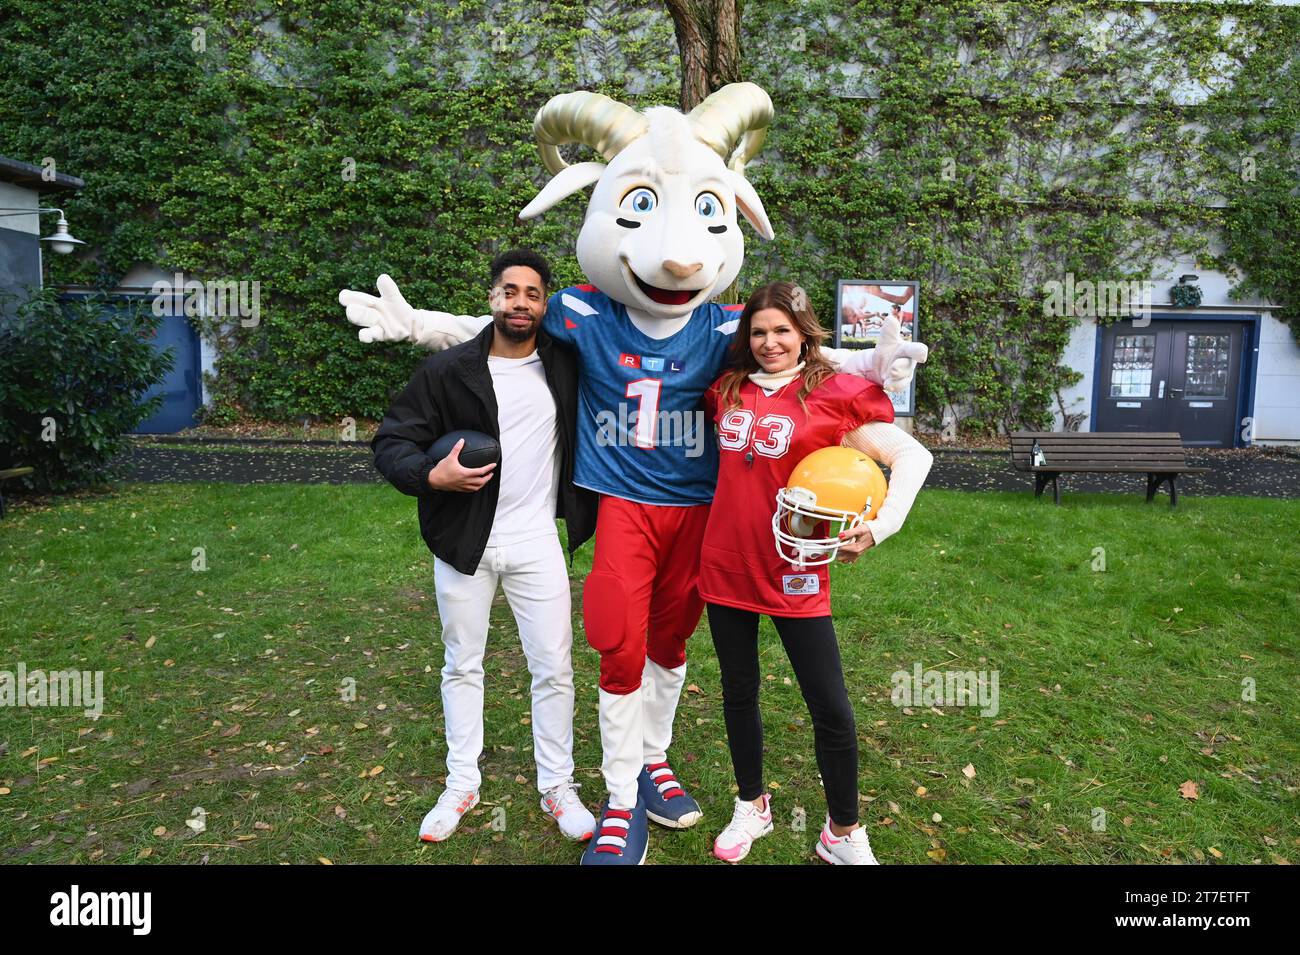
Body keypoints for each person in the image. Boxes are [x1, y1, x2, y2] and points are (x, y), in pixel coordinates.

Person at [699, 281, 933, 864]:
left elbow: (912, 456)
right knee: (738, 690)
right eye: (758, 331)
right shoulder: (725, 389)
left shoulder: (832, 394)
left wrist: (881, 526)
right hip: (726, 560)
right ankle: (751, 804)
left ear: (804, 333)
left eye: (782, 330)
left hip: (793, 566)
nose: (770, 342)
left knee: (829, 704)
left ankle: (842, 831)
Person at [370, 249, 598, 844]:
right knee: (461, 664)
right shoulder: (448, 372)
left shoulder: (567, 365)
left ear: (545, 303)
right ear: (492, 298)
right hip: (463, 540)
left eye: (532, 293)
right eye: (509, 291)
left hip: (536, 541)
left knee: (553, 668)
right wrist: (429, 476)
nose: (520, 303)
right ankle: (460, 782)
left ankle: (558, 785)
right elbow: (393, 439)